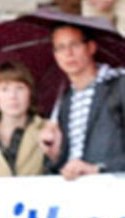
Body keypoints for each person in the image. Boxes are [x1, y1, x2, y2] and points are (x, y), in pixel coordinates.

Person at [39, 23, 125, 178]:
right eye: (60, 48)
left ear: (91, 47)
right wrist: (54, 155)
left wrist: (98, 169)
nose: (68, 53)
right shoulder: (64, 102)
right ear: (55, 55)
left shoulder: (118, 85)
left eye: (75, 45)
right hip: (79, 194)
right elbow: (65, 163)